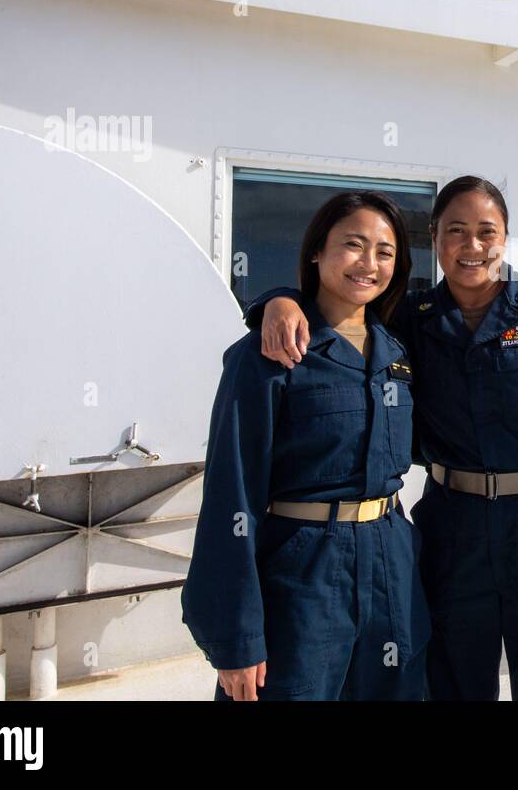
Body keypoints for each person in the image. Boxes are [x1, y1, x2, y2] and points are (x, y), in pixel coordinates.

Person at [245, 175, 518, 700]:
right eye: (455, 231)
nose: (472, 247)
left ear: (506, 238)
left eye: (486, 231)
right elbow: (342, 307)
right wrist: (276, 301)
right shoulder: (414, 319)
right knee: (453, 680)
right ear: (435, 239)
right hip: (452, 527)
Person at [181, 190, 429, 701]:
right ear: (317, 250)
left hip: (390, 567)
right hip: (302, 576)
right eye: (353, 245)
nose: (369, 263)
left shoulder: (398, 353)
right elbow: (233, 495)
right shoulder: (269, 355)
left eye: (385, 252)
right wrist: (236, 638)